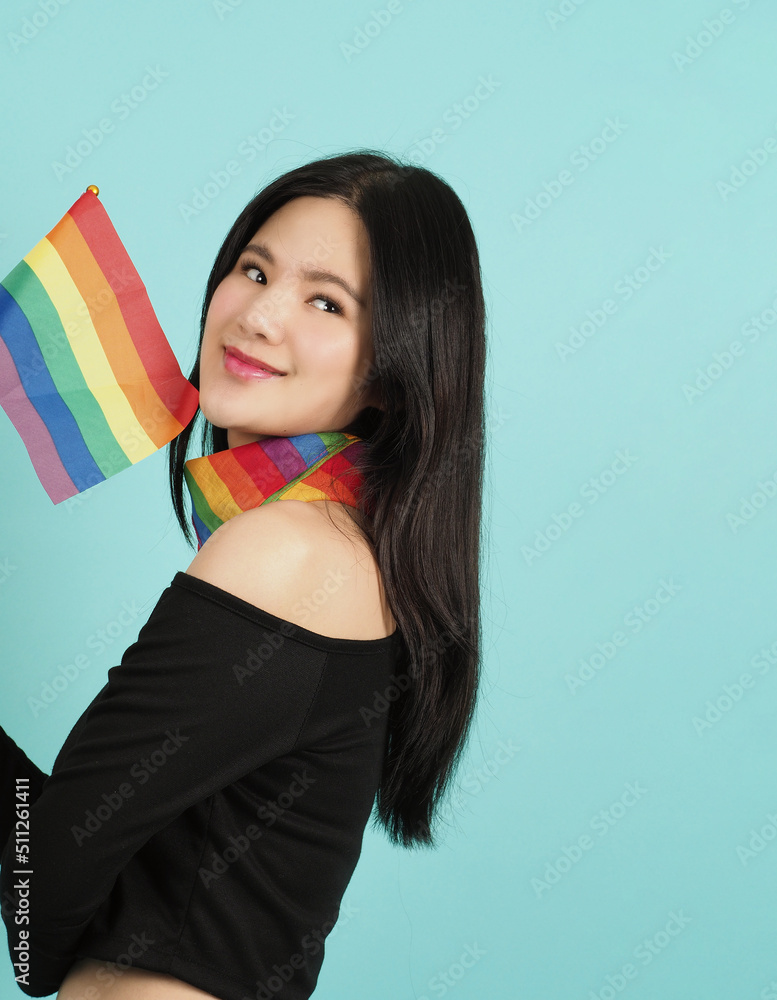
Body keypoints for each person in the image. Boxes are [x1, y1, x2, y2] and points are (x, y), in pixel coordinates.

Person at [0, 149, 487, 1000]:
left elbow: (40, 902)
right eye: (253, 269)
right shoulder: (341, 545)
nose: (259, 316)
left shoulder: (288, 548)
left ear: (392, 371)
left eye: (325, 301)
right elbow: (73, 861)